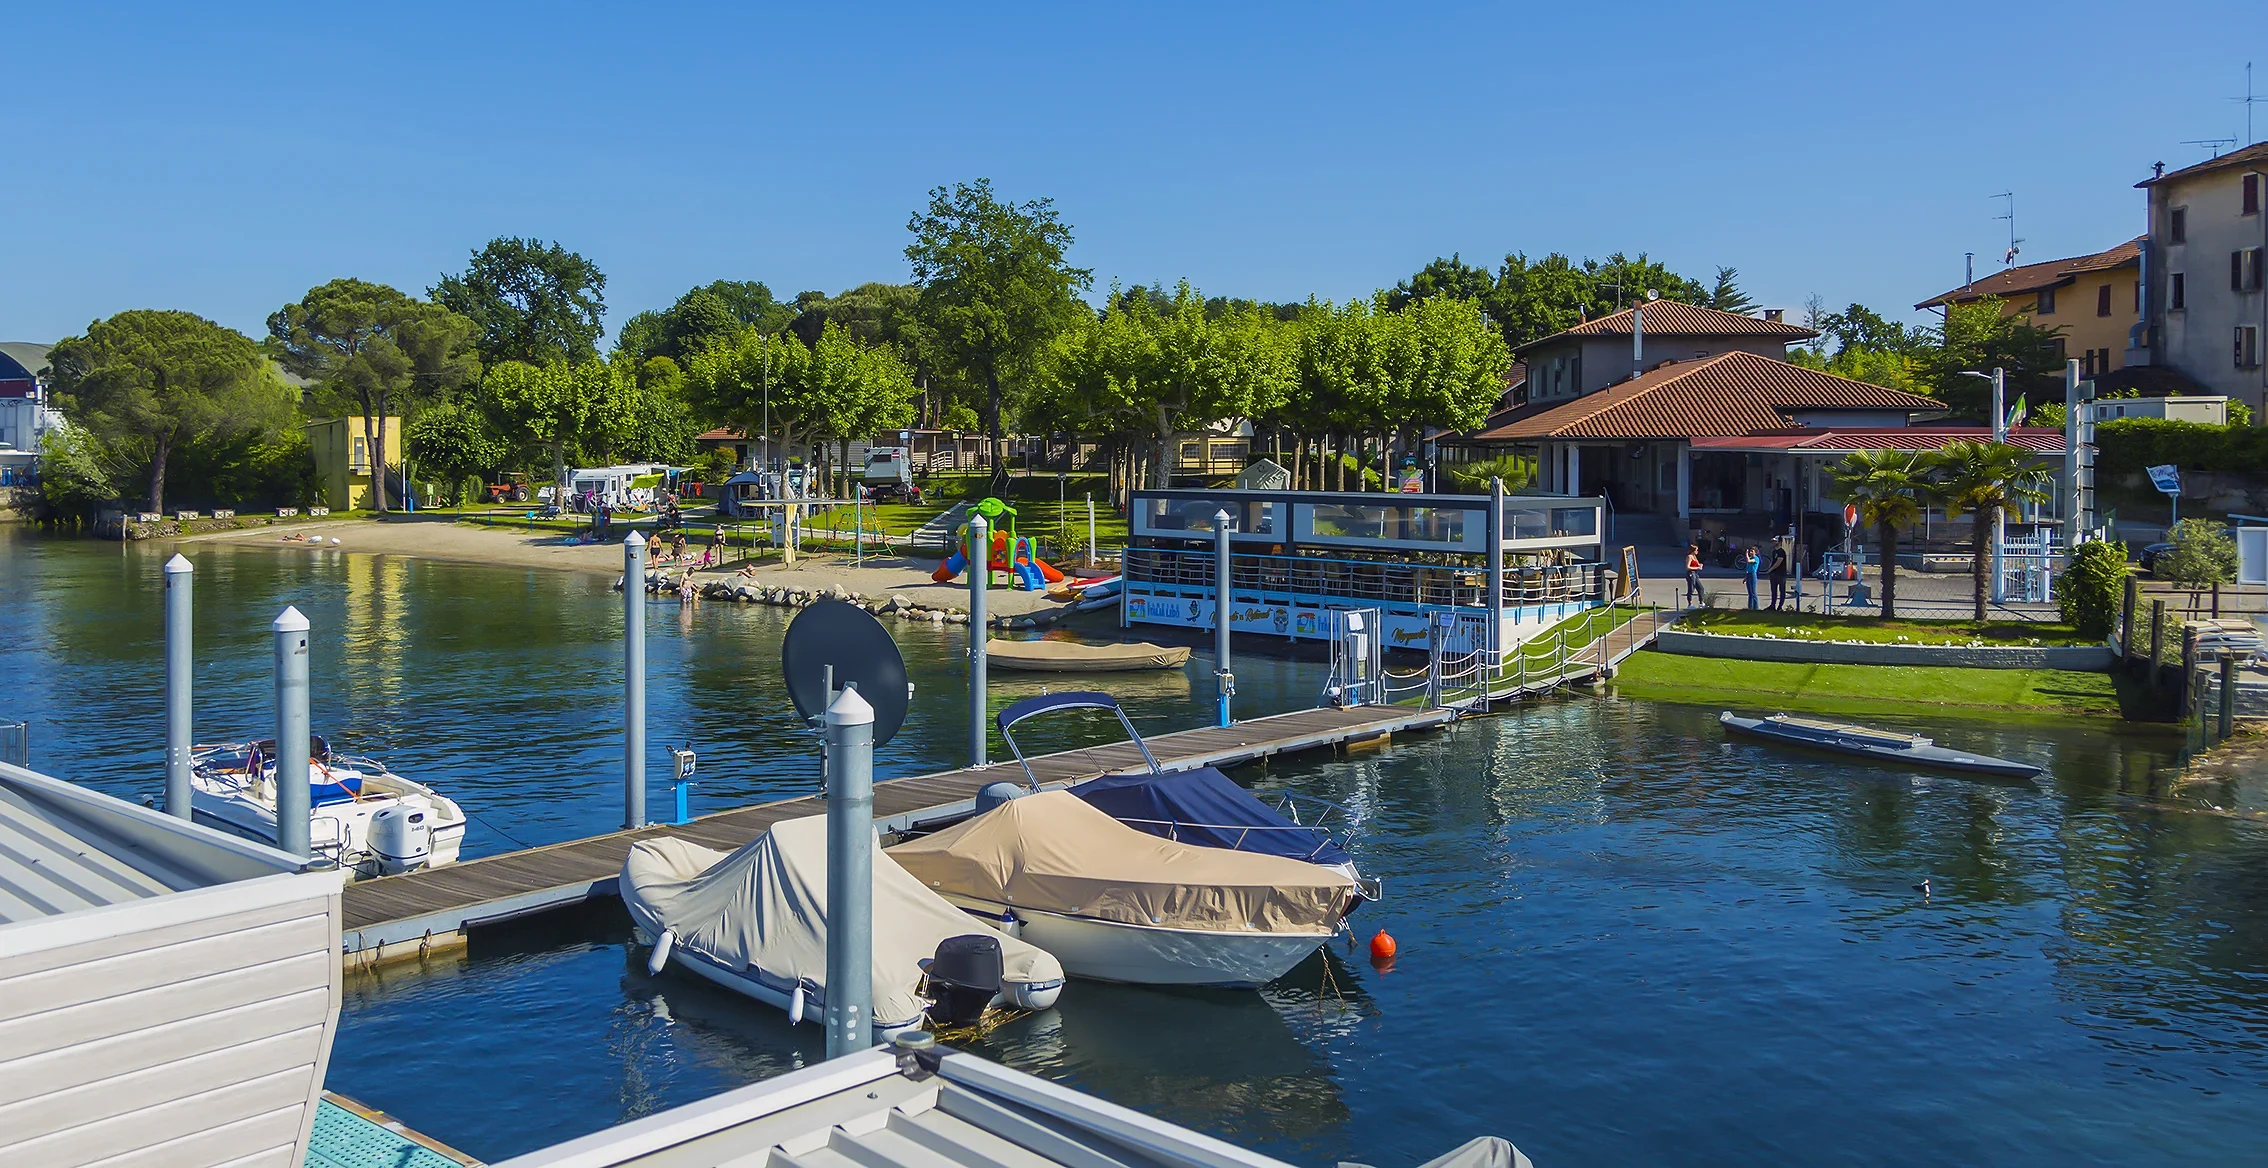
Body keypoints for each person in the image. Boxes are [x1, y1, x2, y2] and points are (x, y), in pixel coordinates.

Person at [1767, 544, 1790, 610]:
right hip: (1773, 574)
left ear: (1779, 542)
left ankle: (1780, 606)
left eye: (1775, 541)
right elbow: (1772, 560)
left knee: (1782, 590)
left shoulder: (1781, 551)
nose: (1773, 543)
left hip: (1781, 574)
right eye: (1773, 541)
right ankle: (1772, 605)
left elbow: (1778, 562)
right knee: (1773, 590)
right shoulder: (1774, 551)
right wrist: (1770, 568)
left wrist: (1770, 569)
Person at [1742, 545, 1760, 610]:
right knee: (1750, 593)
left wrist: (1746, 554)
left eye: (1752, 551)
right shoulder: (1749, 557)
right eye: (1750, 551)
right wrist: (1745, 577)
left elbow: (1749, 561)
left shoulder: (1756, 558)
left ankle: (1756, 607)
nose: (1750, 552)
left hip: (1753, 575)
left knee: (1753, 592)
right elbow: (1748, 568)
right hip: (1749, 574)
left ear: (1755, 552)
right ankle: (1750, 607)